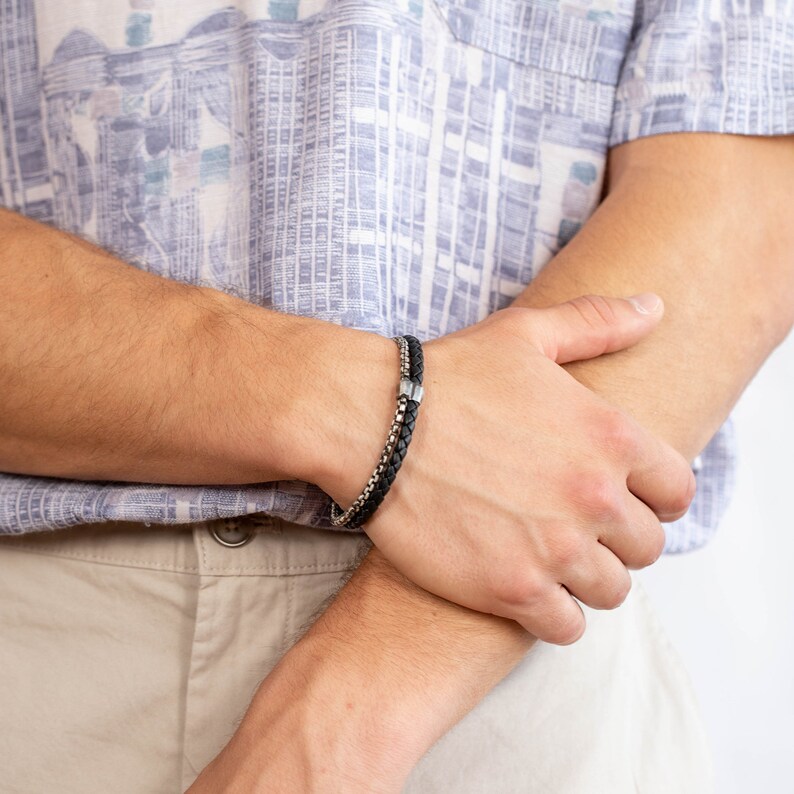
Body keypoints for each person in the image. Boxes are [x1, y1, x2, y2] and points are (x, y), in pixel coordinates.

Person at [0, 0, 792, 791]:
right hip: (43, 643)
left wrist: (341, 723)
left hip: (503, 653)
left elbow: (741, 197)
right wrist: (381, 415)